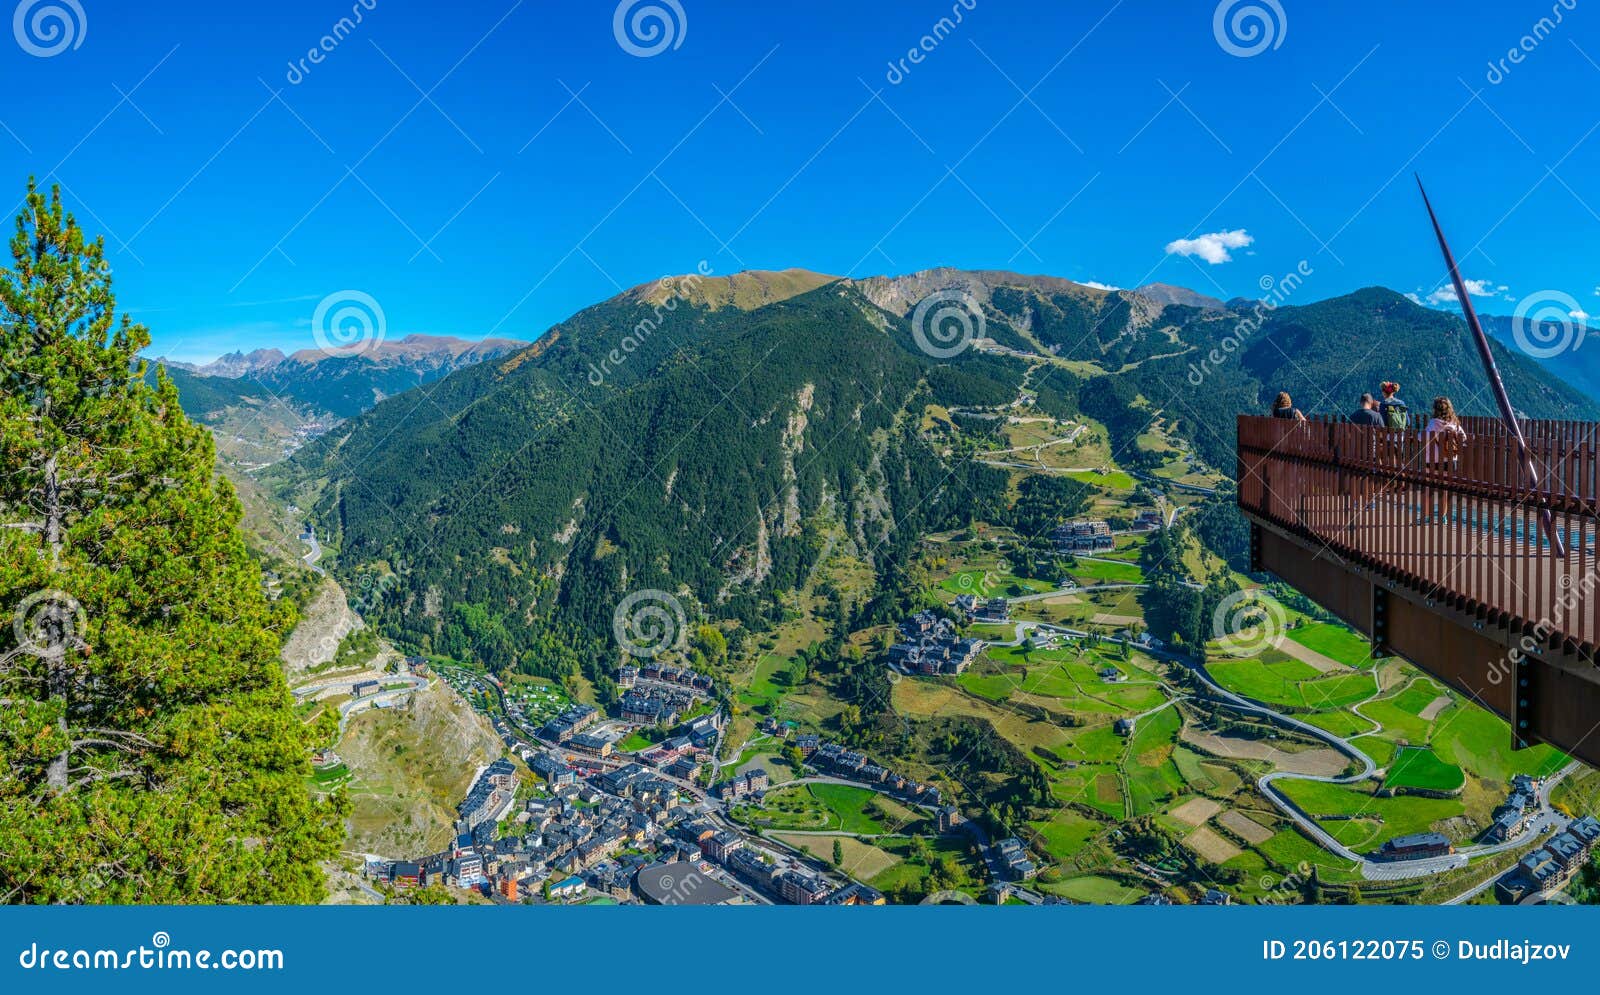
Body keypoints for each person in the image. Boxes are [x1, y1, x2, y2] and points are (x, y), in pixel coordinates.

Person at [1424, 395, 1467, 470]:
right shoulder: (1454, 423)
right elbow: (1463, 437)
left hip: (1434, 459)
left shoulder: (1433, 423)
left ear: (1435, 409)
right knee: (1449, 481)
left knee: (1435, 481)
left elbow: (1423, 437)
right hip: (1452, 459)